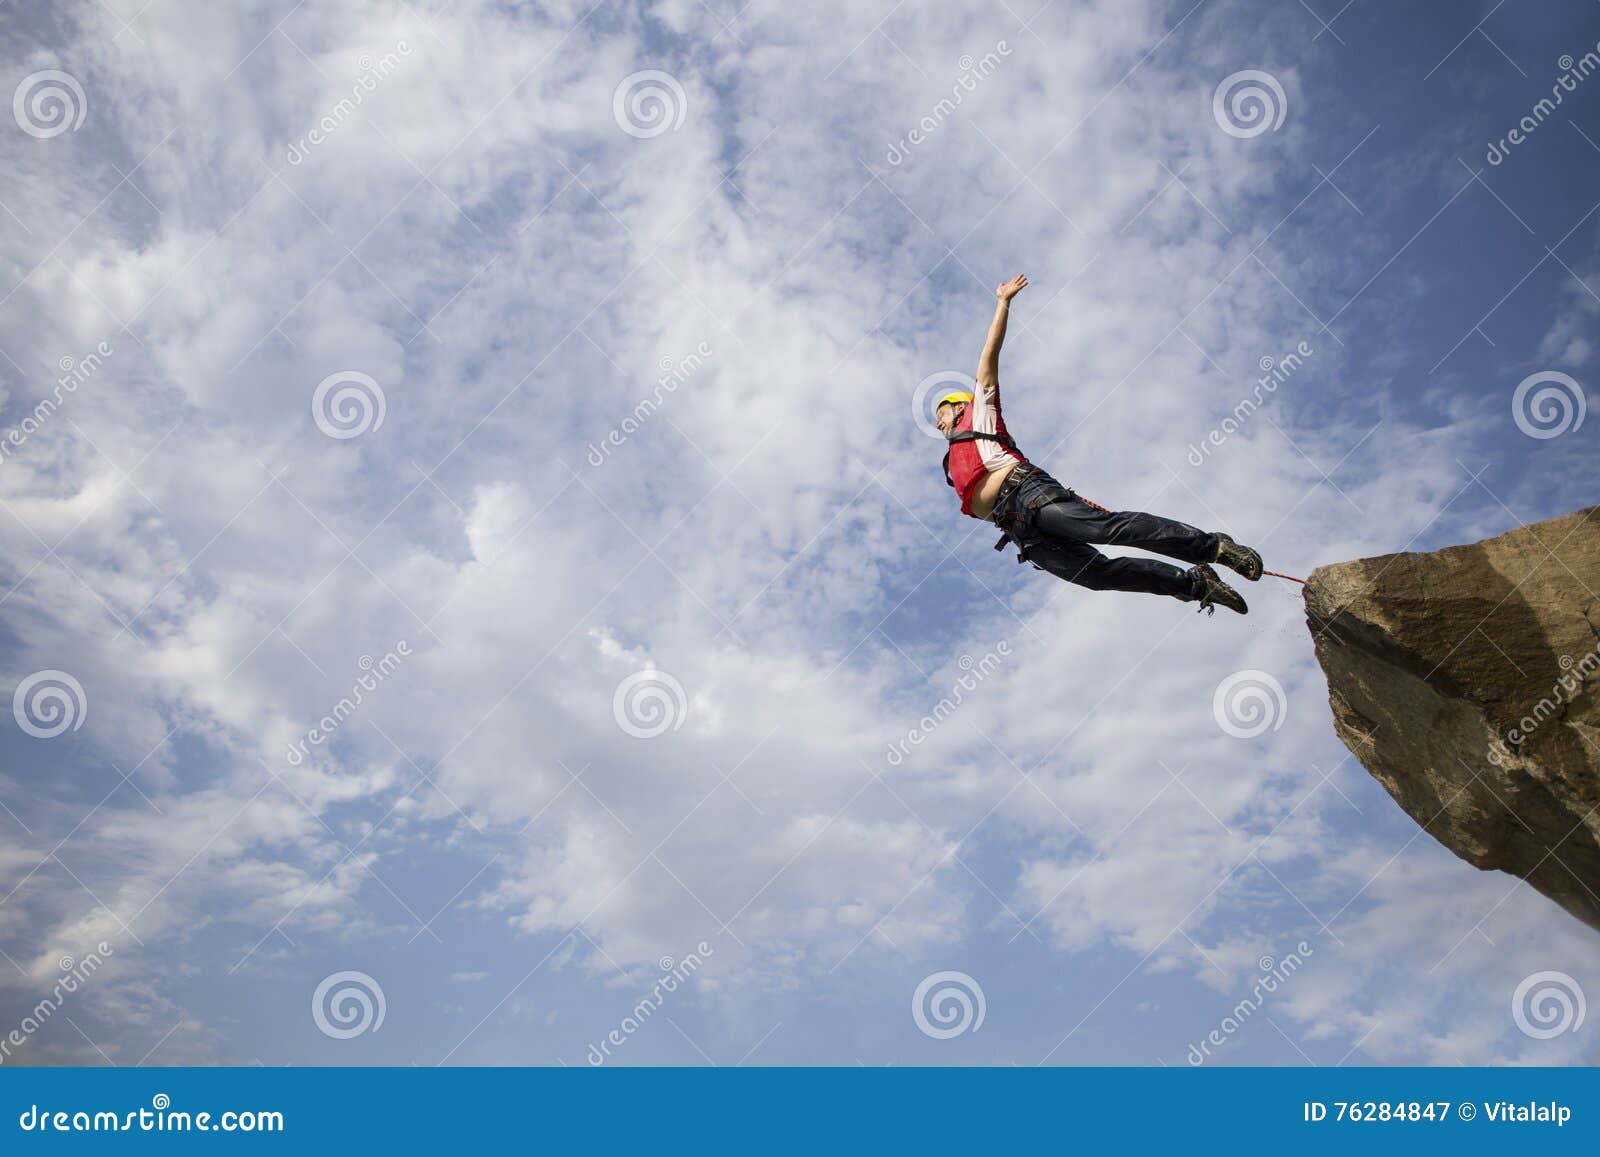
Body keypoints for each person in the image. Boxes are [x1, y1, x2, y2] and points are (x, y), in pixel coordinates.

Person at [937, 274, 1262, 615]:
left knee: (1105, 529)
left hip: (1028, 495)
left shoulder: (980, 413)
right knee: (1094, 575)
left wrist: (1002, 303)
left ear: (961, 407)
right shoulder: (953, 463)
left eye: (941, 412)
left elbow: (989, 356)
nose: (938, 422)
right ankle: (1196, 585)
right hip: (1018, 528)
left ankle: (1214, 548)